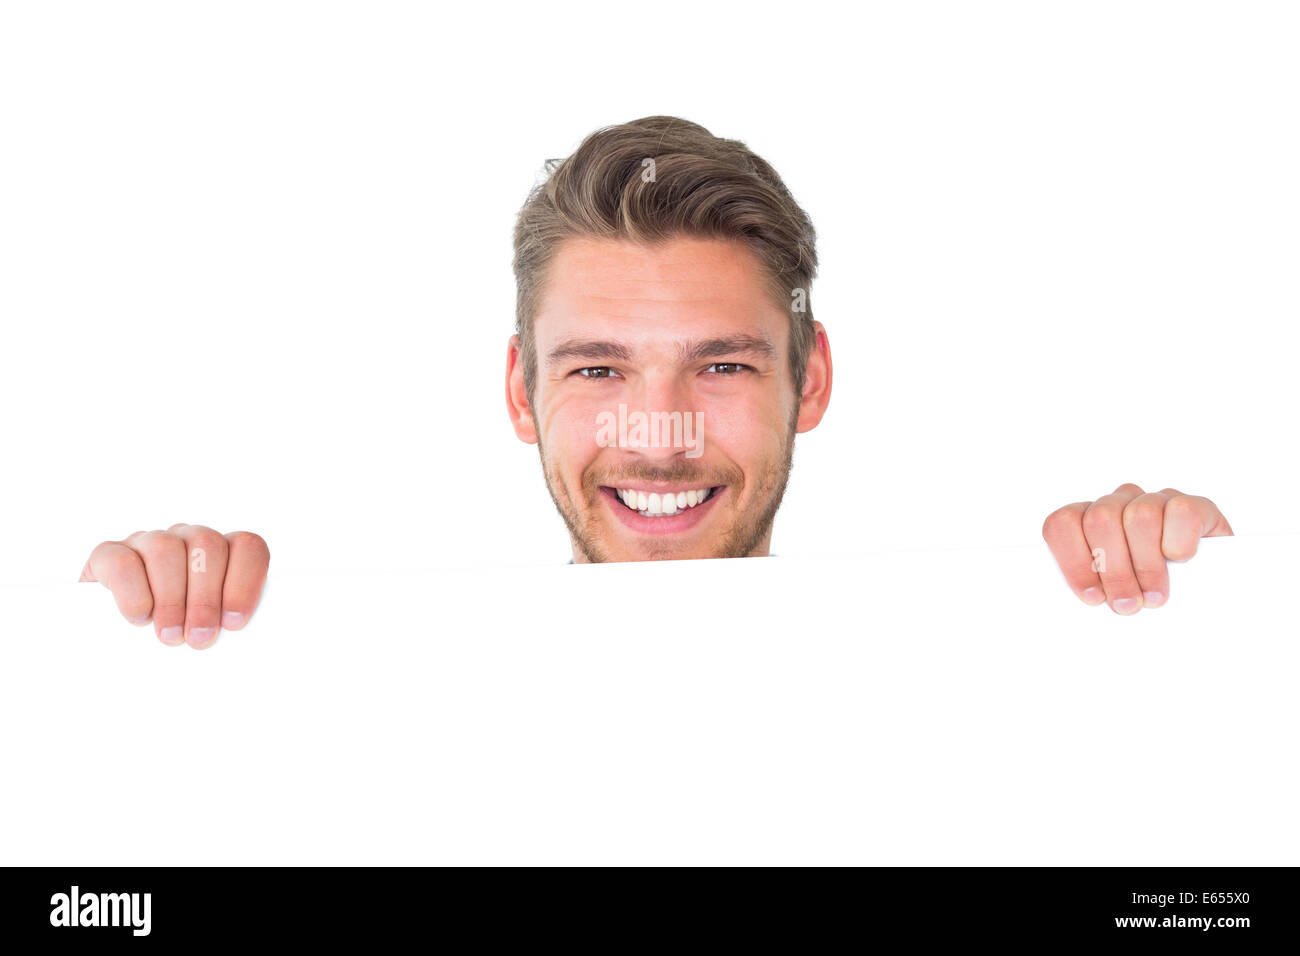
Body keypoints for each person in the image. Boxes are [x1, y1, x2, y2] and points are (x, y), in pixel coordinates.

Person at [77, 117, 1233, 647]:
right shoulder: (365, 707)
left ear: (811, 377)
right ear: (521, 393)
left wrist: (1192, 616)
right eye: (596, 366)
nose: (661, 428)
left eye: (721, 363)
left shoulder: (986, 686)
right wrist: (138, 661)